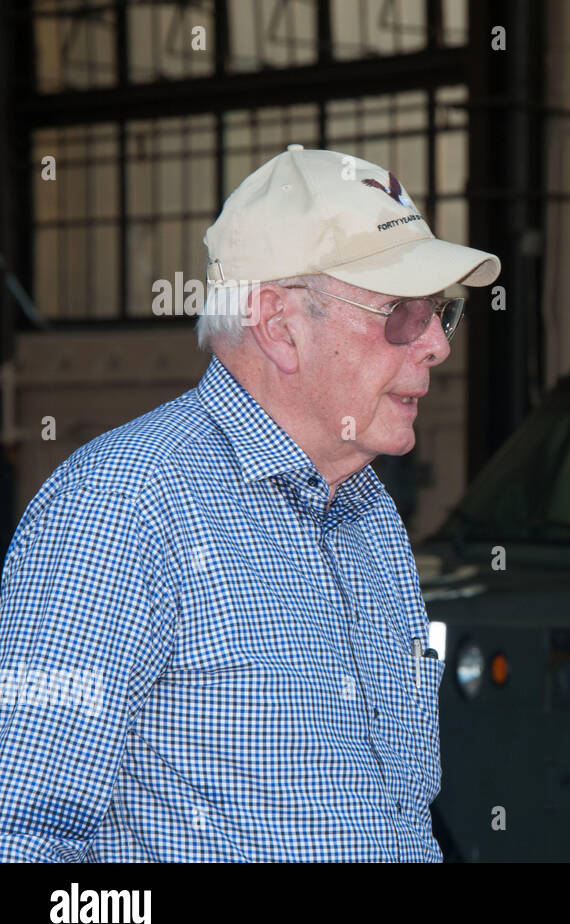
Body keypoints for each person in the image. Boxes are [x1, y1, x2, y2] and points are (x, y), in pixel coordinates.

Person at [0, 145, 499, 861]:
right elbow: (20, 834)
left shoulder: (367, 515)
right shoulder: (120, 509)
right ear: (277, 322)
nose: (435, 345)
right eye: (399, 311)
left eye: (441, 311)